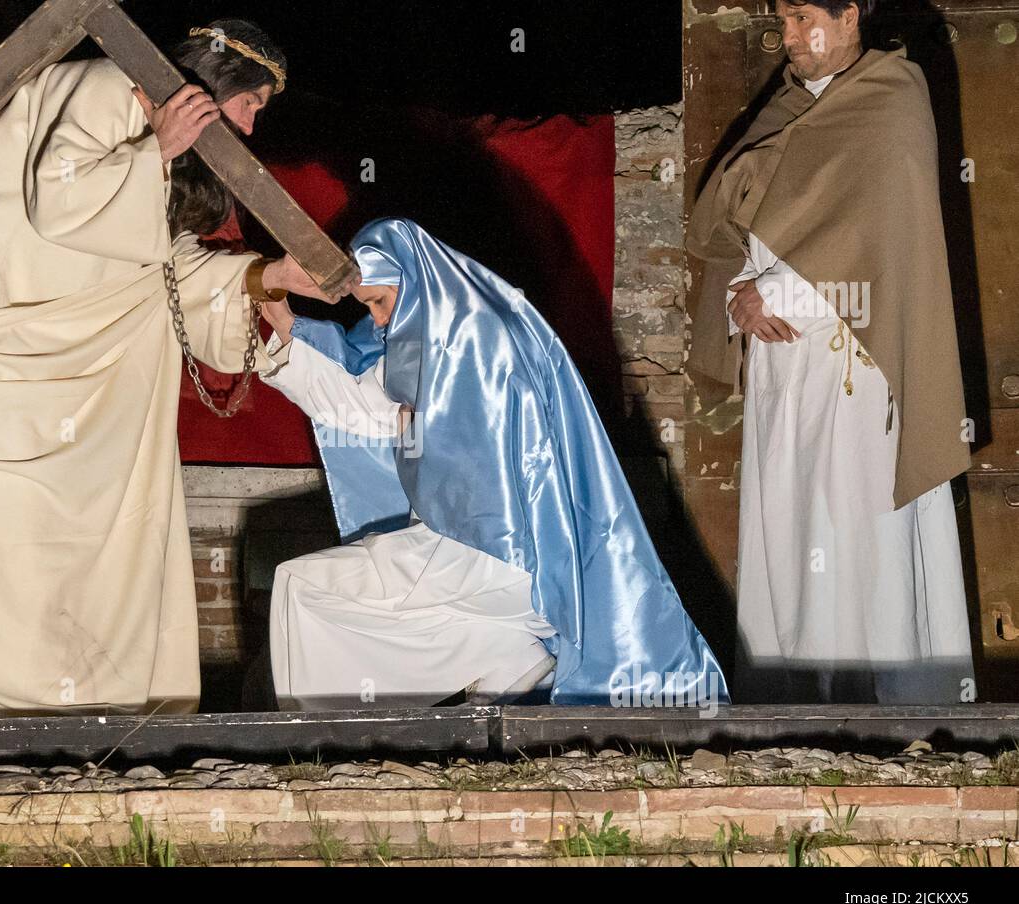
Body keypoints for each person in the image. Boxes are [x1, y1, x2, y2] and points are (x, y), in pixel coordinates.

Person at [0, 20, 344, 716]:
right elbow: (61, 202)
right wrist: (158, 147)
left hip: (62, 357)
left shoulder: (159, 147)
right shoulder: (102, 87)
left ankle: (95, 704)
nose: (248, 126)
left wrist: (264, 275)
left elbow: (152, 263)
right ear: (219, 85)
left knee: (90, 540)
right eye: (250, 104)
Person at [257, 218, 728, 711]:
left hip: (497, 550)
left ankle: (328, 740)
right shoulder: (420, 340)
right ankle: (502, 657)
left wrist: (413, 423)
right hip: (468, 551)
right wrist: (284, 320)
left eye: (379, 302)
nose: (376, 320)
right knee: (315, 592)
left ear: (417, 284)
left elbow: (424, 417)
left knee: (306, 588)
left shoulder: (479, 337)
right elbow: (362, 404)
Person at [687, 0, 973, 703]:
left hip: (859, 353)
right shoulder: (784, 106)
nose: (786, 37)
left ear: (850, 17)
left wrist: (774, 295)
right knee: (786, 526)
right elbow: (735, 227)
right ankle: (793, 699)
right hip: (781, 363)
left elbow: (889, 234)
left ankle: (879, 701)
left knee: (855, 529)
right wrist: (740, 298)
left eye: (801, 17)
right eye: (780, 20)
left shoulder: (892, 99)